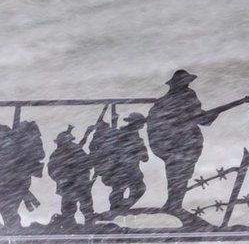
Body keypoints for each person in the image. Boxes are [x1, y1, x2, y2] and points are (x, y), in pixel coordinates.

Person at [146, 69, 219, 212]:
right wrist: (214, 114)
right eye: (186, 83)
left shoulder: (162, 103)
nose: (188, 86)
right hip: (183, 145)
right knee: (180, 175)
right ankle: (174, 205)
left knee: (177, 175)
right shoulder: (187, 96)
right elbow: (201, 119)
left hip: (174, 146)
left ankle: (174, 204)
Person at [90, 112, 149, 212]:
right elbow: (111, 150)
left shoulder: (137, 138)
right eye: (141, 123)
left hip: (131, 169)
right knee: (119, 190)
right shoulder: (120, 135)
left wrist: (139, 153)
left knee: (138, 188)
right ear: (134, 123)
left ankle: (122, 208)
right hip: (119, 169)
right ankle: (116, 210)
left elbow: (145, 158)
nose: (142, 125)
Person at [48, 125, 96, 227]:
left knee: (85, 210)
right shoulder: (58, 155)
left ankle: (87, 228)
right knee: (70, 211)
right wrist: (61, 178)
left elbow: (88, 163)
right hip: (71, 186)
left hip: (78, 185)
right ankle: (74, 228)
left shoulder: (76, 151)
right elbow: (52, 170)